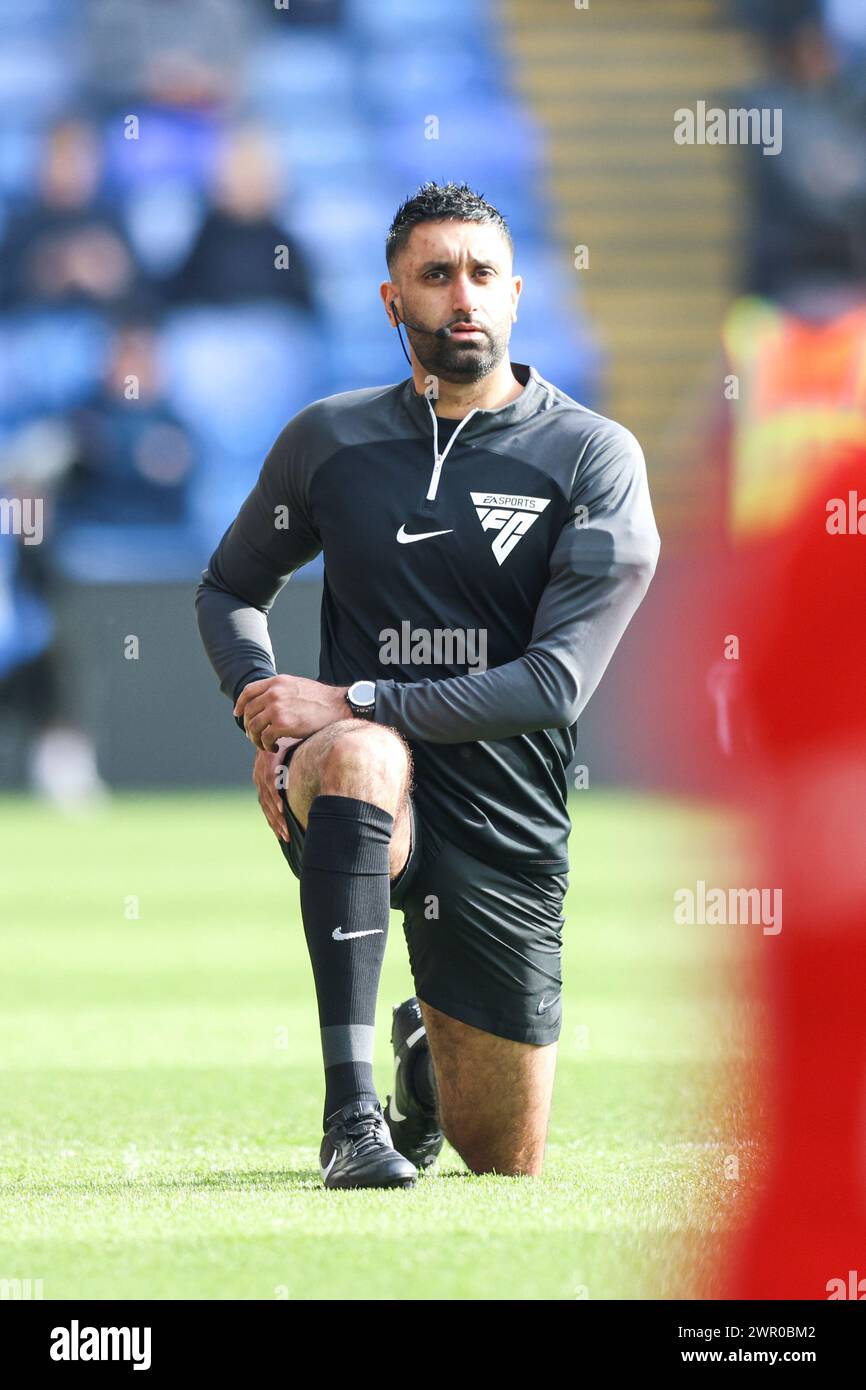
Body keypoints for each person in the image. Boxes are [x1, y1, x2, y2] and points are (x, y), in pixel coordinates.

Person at [195, 181, 660, 1188]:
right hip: (362, 781)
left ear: (515, 293)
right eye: (435, 274)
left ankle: (421, 1069)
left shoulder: (589, 457)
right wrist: (264, 707)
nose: (463, 296)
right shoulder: (329, 439)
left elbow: (552, 684)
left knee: (501, 1160)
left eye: (482, 274)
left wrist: (350, 696)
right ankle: (349, 1119)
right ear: (390, 300)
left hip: (507, 815)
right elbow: (229, 585)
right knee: (356, 755)